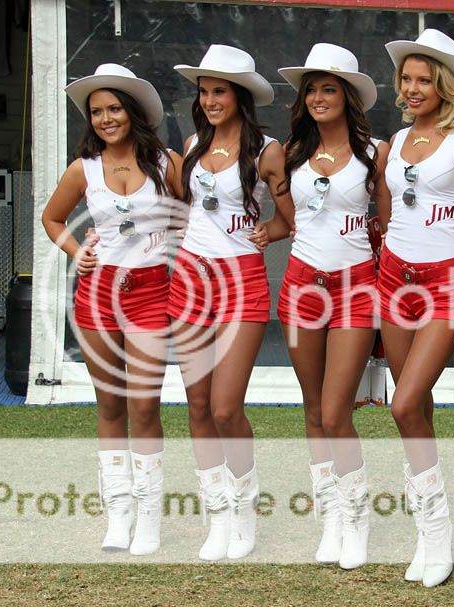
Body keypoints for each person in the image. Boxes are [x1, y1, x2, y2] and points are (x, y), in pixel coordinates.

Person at [260, 43, 390, 570]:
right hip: (300, 287)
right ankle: (331, 519)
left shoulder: (375, 152)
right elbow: (287, 221)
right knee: (313, 409)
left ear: (348, 96)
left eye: (328, 88)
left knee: (336, 411)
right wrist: (257, 232)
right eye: (311, 89)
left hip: (356, 287)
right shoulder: (288, 153)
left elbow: (391, 224)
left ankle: (356, 520)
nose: (318, 97)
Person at [42, 64, 181, 556]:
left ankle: (149, 518)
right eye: (97, 112)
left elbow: (190, 219)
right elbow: (52, 218)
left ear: (133, 111)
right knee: (109, 405)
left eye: (114, 108)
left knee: (144, 404)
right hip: (97, 295)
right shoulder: (83, 168)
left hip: (151, 294)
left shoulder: (166, 163)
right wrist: (77, 251)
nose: (106, 119)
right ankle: (118, 517)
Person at [169, 45, 294, 561]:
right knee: (198, 405)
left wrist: (268, 230)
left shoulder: (267, 151)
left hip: (241, 282)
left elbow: (289, 220)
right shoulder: (192, 144)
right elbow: (187, 210)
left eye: (219, 91)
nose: (210, 100)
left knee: (225, 407)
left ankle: (244, 511)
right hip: (189, 281)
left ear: (240, 96)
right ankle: (217, 517)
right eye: (204, 91)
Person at [379, 29, 454, 587]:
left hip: (446, 282)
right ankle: (430, 535)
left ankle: (441, 533)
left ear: (445, 84)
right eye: (407, 79)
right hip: (393, 278)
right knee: (416, 408)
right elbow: (389, 211)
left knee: (403, 404)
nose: (413, 88)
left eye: (424, 79)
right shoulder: (394, 141)